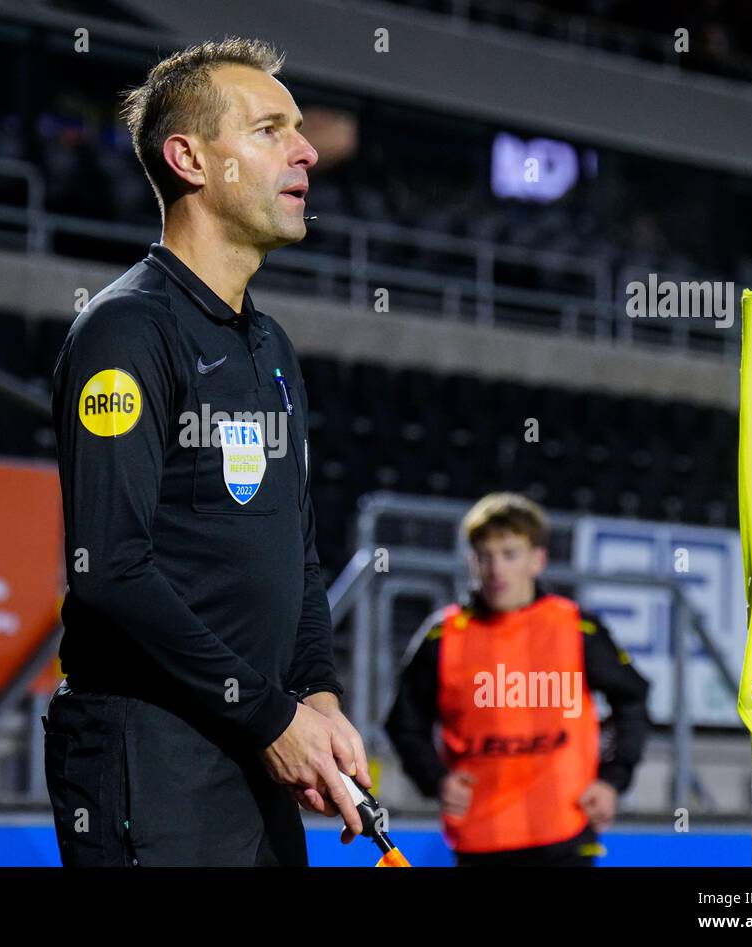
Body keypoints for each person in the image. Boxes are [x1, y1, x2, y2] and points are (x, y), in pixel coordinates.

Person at [44, 37, 368, 867]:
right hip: (154, 762)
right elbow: (109, 568)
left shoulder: (271, 346)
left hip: (257, 752)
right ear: (189, 159)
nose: (305, 151)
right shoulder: (127, 330)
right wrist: (272, 719)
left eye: (299, 130)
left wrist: (318, 703)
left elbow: (295, 558)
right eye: (269, 130)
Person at [384, 492, 651, 866]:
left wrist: (612, 780)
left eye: (509, 554)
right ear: (470, 561)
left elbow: (633, 700)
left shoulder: (576, 628)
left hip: (565, 835)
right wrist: (436, 780)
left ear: (537, 559)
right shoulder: (441, 638)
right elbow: (404, 724)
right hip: (479, 841)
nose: (496, 570)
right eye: (484, 556)